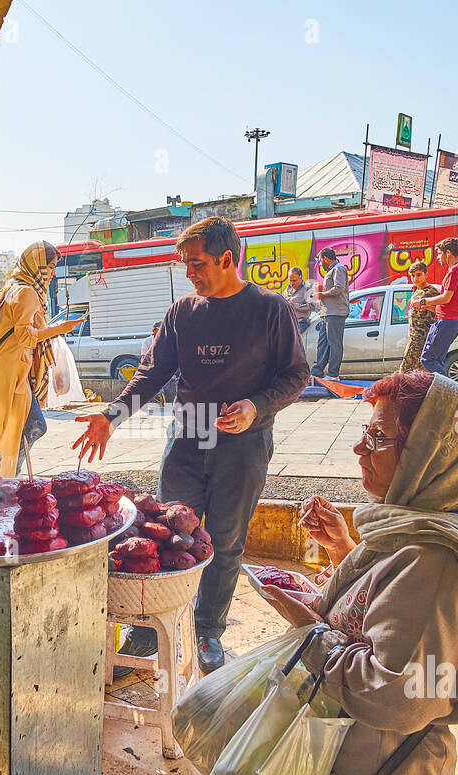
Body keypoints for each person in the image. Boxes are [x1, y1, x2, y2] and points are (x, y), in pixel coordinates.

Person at [260, 370, 458, 775]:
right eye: (365, 433)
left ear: (428, 451)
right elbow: (397, 612)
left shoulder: (435, 559)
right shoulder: (430, 522)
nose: (360, 450)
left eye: (378, 437)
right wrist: (344, 552)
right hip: (352, 759)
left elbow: (392, 694)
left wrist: (310, 631)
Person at [73, 217, 310, 673]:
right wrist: (111, 416)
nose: (189, 273)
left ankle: (207, 630)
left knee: (224, 541)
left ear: (227, 259)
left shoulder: (269, 309)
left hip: (244, 444)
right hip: (187, 436)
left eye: (197, 263)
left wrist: (256, 406)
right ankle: (146, 631)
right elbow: (151, 374)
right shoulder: (183, 312)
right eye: (185, 264)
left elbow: (297, 375)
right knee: (162, 535)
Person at [0, 242, 79, 477]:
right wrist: (60, 328)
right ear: (36, 266)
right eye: (50, 266)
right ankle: (6, 477)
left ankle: (4, 476)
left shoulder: (17, 287)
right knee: (31, 426)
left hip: (12, 370)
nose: (53, 272)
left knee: (16, 427)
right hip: (10, 371)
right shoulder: (26, 292)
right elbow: (26, 336)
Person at [413, 237, 458, 377]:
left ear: (448, 253)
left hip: (446, 322)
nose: (437, 257)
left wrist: (423, 301)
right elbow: (449, 303)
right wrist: (428, 307)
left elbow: (446, 298)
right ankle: (441, 391)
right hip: (449, 320)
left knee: (428, 359)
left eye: (439, 253)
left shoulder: (455, 271)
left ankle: (448, 390)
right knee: (437, 360)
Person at [311, 248, 350, 379]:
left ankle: (333, 374)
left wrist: (322, 294)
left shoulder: (339, 268)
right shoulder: (331, 270)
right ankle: (317, 372)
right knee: (323, 344)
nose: (320, 263)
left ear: (326, 258)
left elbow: (339, 288)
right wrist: (319, 292)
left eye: (320, 260)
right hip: (326, 313)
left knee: (334, 344)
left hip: (336, 313)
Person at [399, 261, 441, 373]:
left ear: (426, 274)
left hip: (424, 336)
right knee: (413, 369)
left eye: (419, 275)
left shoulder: (431, 291)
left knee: (408, 369)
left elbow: (441, 310)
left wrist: (426, 306)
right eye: (413, 275)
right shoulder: (417, 290)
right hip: (414, 335)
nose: (415, 278)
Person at [283, 267, 316, 335]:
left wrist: (294, 305)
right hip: (287, 322)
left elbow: (312, 307)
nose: (292, 283)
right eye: (290, 280)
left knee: (291, 339)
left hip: (301, 322)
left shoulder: (308, 288)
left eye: (294, 280)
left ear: (301, 278)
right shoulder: (288, 288)